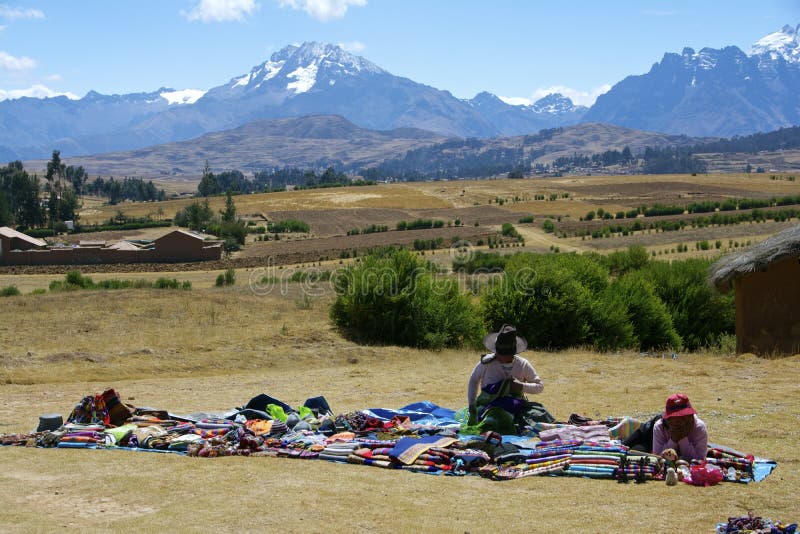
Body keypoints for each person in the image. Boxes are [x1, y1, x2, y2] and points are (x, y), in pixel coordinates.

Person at [466, 324, 552, 434]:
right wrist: (472, 405)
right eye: (500, 353)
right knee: (490, 423)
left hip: (515, 406)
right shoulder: (487, 363)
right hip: (488, 406)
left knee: (539, 414)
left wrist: (521, 386)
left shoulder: (522, 364)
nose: (501, 356)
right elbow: (473, 380)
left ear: (513, 352)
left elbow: (540, 387)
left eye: (506, 354)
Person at [651, 393, 708, 461]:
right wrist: (673, 440)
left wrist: (683, 439)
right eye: (677, 417)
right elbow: (658, 458)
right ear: (669, 419)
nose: (682, 422)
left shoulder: (699, 427)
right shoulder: (660, 427)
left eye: (685, 416)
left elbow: (700, 460)